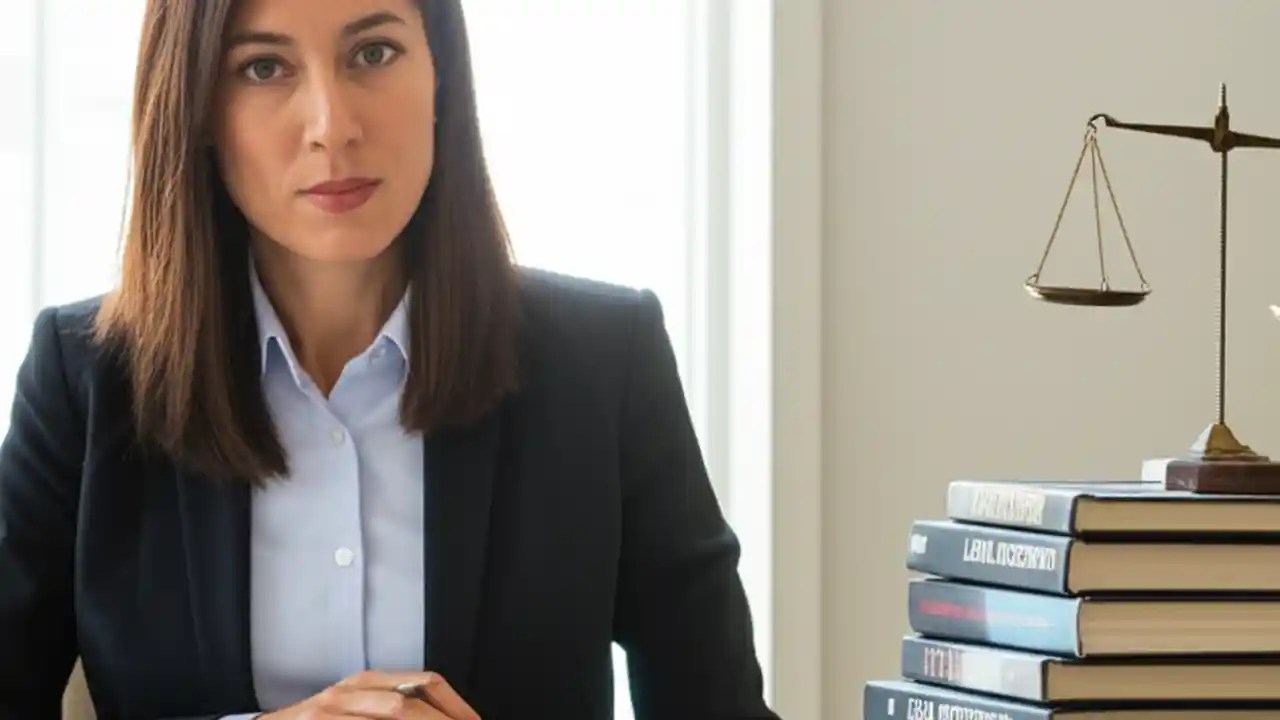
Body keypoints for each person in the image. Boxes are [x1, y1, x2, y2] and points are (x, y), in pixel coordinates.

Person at [0, 0, 779, 718]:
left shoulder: (606, 363)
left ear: (440, 73)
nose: (332, 125)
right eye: (264, 68)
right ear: (198, 108)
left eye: (373, 52)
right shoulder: (85, 381)